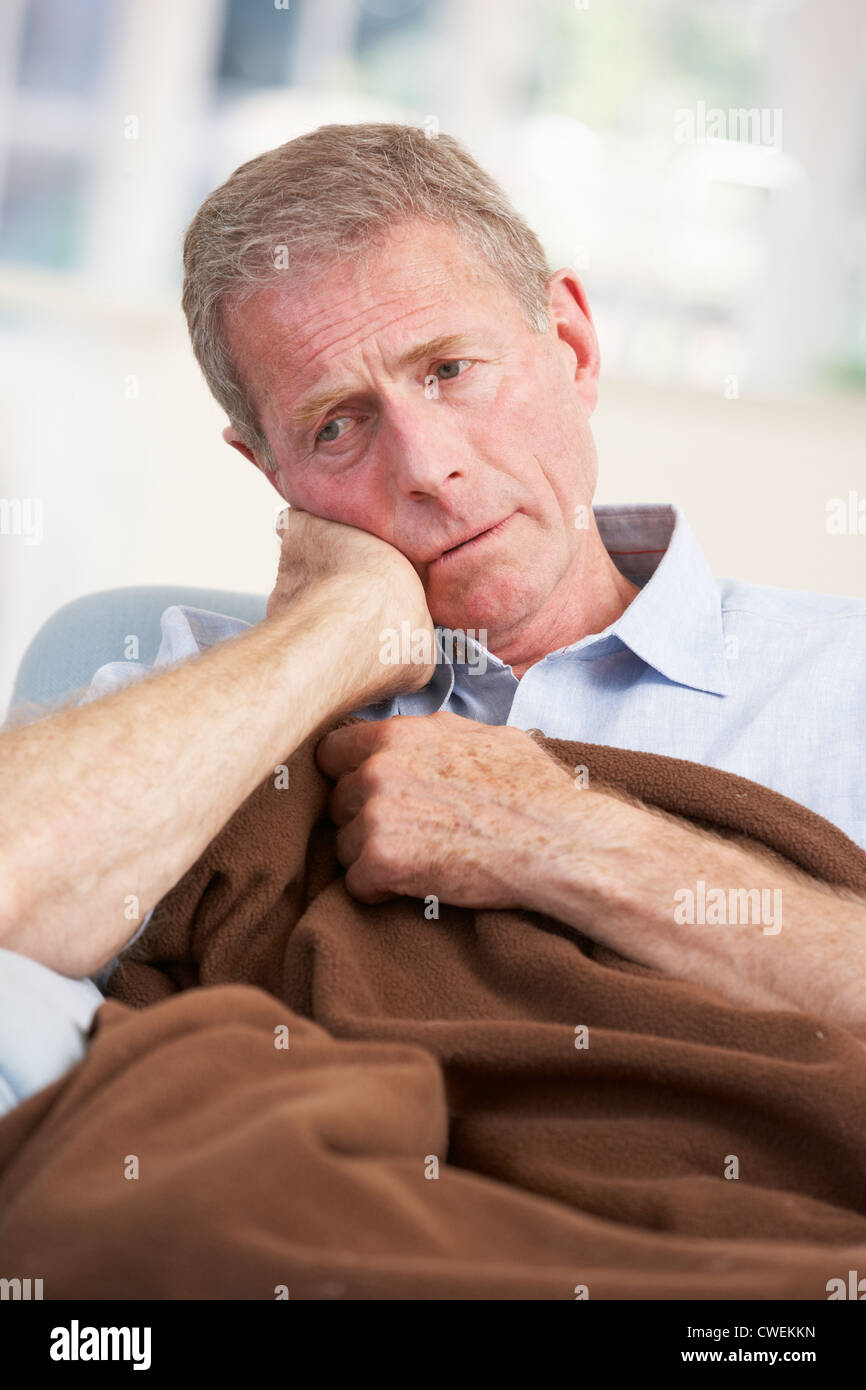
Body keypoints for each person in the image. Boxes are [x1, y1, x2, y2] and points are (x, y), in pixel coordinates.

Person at [2, 123, 865, 1115]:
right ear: (270, 474)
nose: (425, 466)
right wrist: (339, 629)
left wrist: (557, 836)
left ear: (572, 347)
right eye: (336, 426)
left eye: (450, 368)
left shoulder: (834, 678)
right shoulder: (196, 692)